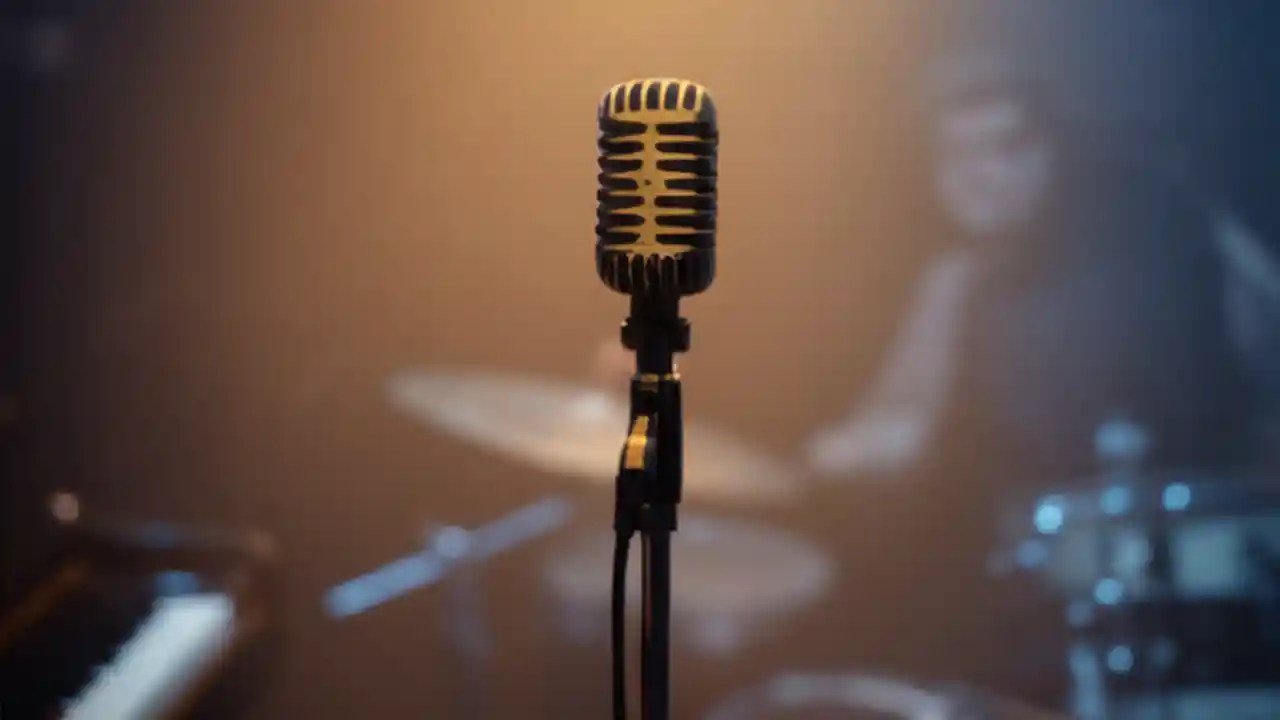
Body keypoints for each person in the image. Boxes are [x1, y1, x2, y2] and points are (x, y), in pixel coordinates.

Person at [799, 48, 1280, 707]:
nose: (975, 176)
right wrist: (816, 455)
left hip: (1214, 587)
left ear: (1058, 152)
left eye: (1005, 146)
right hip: (1033, 606)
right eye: (951, 154)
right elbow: (896, 432)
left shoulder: (1188, 227)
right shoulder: (960, 279)